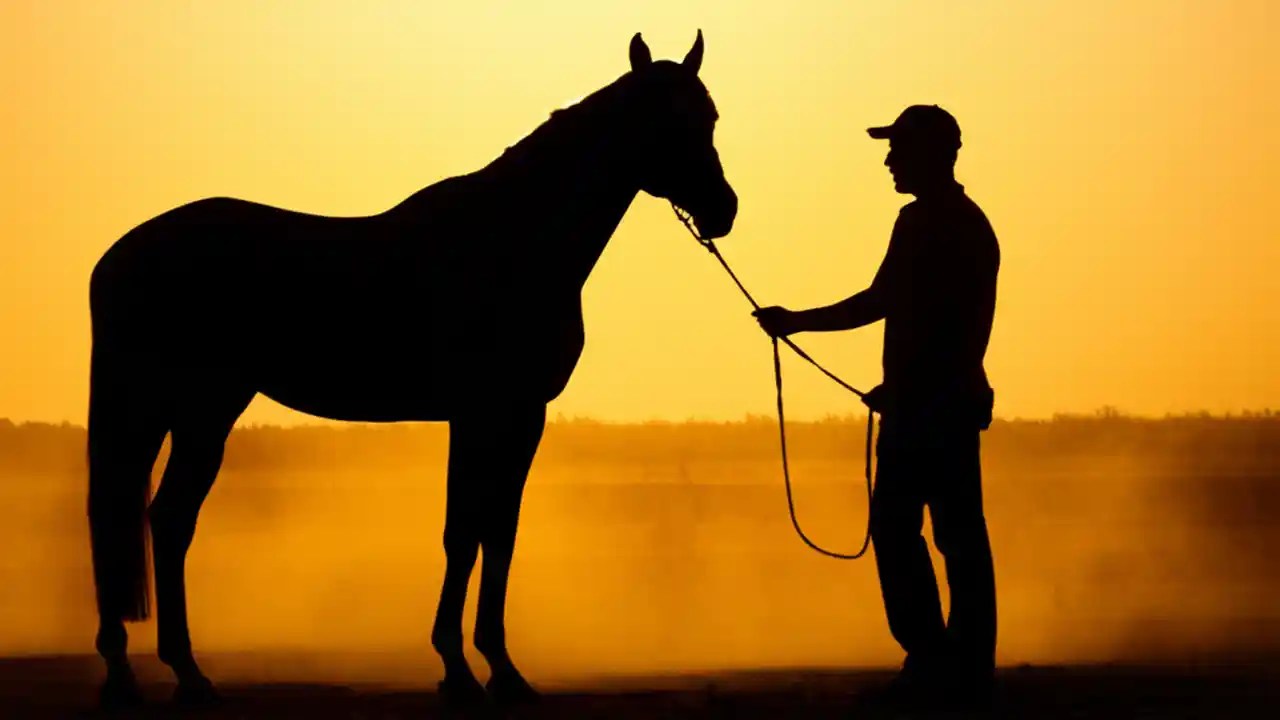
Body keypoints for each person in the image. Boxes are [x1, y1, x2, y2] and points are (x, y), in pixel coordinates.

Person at [753, 104, 1000, 709]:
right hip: (939, 403)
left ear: (931, 154)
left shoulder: (932, 224)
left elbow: (907, 311)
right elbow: (917, 312)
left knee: (910, 532)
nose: (889, 160)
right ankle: (960, 664)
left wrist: (799, 324)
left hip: (927, 410)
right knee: (951, 534)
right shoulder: (955, 222)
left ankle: (937, 660)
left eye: (898, 149)